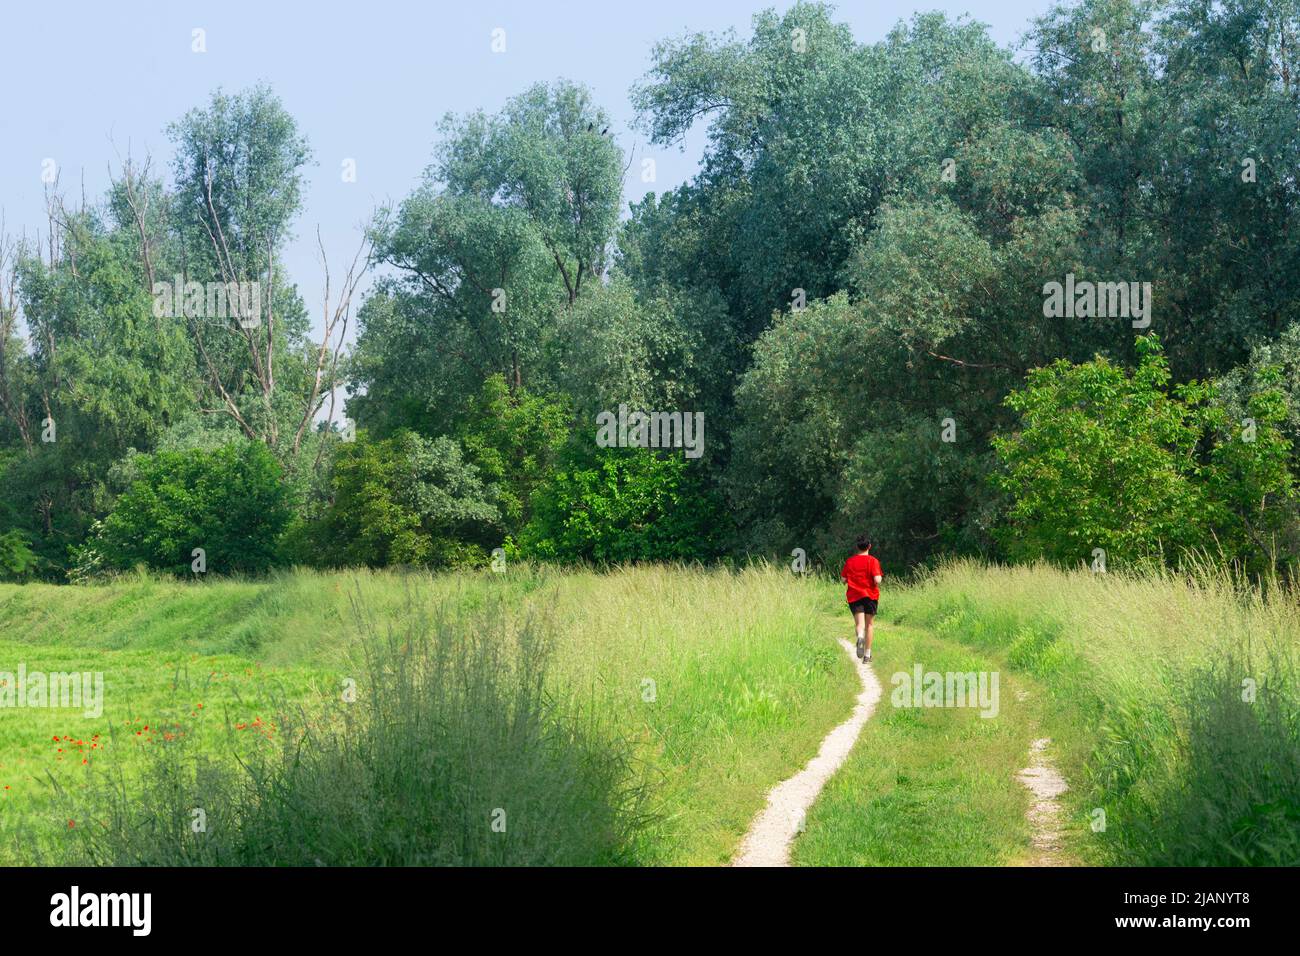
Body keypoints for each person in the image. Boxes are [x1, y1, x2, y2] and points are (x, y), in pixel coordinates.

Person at [840, 534, 882, 662]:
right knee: (869, 625)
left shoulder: (850, 561)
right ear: (869, 546)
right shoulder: (873, 561)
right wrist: (877, 579)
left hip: (855, 596)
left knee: (859, 624)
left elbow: (843, 579)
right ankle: (867, 655)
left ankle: (860, 637)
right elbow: (877, 580)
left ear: (857, 547)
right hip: (870, 596)